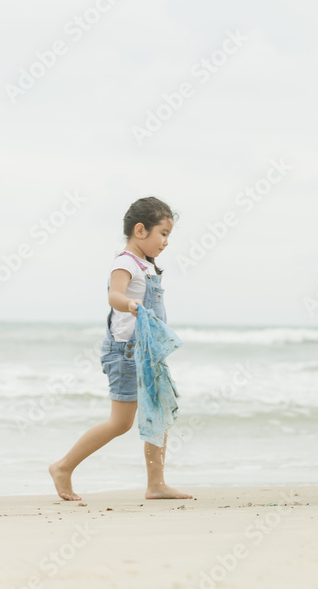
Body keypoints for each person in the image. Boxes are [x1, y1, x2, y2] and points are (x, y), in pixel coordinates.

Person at [49, 197, 192, 501]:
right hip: (126, 353)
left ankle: (156, 484)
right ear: (140, 230)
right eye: (163, 233)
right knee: (120, 422)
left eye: (169, 235)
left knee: (158, 413)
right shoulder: (126, 261)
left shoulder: (146, 265)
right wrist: (129, 303)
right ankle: (63, 467)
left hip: (147, 353)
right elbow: (115, 294)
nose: (166, 242)